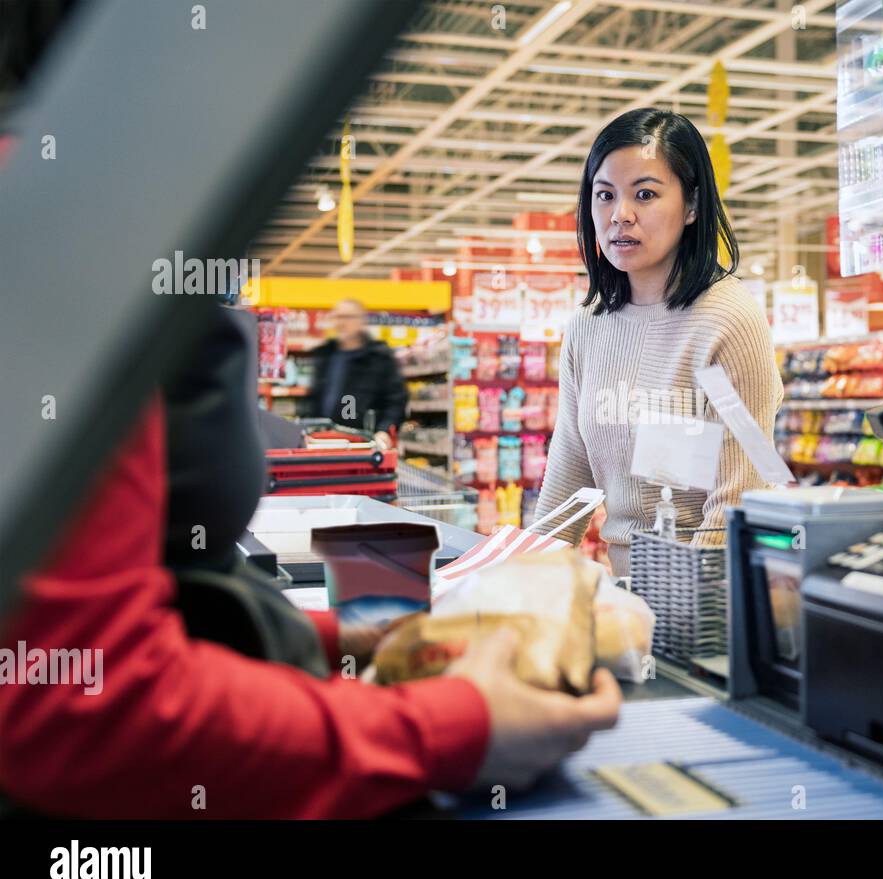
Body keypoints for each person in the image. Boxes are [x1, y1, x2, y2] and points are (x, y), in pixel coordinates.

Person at [0, 306, 622, 819]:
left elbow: (126, 594)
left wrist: (348, 639)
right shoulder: (52, 251)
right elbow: (85, 705)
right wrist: (451, 729)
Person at [535, 109, 783, 576]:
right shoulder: (587, 326)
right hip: (623, 596)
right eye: (604, 195)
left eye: (645, 194)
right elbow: (569, 476)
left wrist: (683, 609)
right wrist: (524, 585)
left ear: (691, 206)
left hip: (706, 601)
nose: (620, 215)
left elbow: (740, 496)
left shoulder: (728, 320)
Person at [308, 298, 408, 449]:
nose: (341, 323)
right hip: (323, 441)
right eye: (337, 317)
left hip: (363, 444)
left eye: (347, 317)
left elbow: (396, 400)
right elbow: (314, 398)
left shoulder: (379, 358)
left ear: (361, 321)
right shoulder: (325, 355)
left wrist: (384, 430)